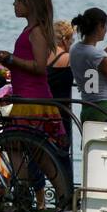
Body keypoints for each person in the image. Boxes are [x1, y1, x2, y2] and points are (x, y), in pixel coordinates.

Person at [0, 0, 68, 152]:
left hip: (32, 100)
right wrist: (8, 62)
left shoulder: (36, 31)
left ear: (31, 3)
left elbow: (39, 66)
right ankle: (20, 180)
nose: (14, 3)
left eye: (19, 0)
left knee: (24, 149)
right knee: (21, 149)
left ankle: (22, 180)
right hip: (26, 97)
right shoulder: (29, 30)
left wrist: (12, 59)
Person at [47, 19, 76, 151]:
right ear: (65, 39)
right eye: (72, 40)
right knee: (61, 155)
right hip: (60, 113)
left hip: (42, 110)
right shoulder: (68, 59)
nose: (72, 43)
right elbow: (89, 73)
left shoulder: (43, 55)